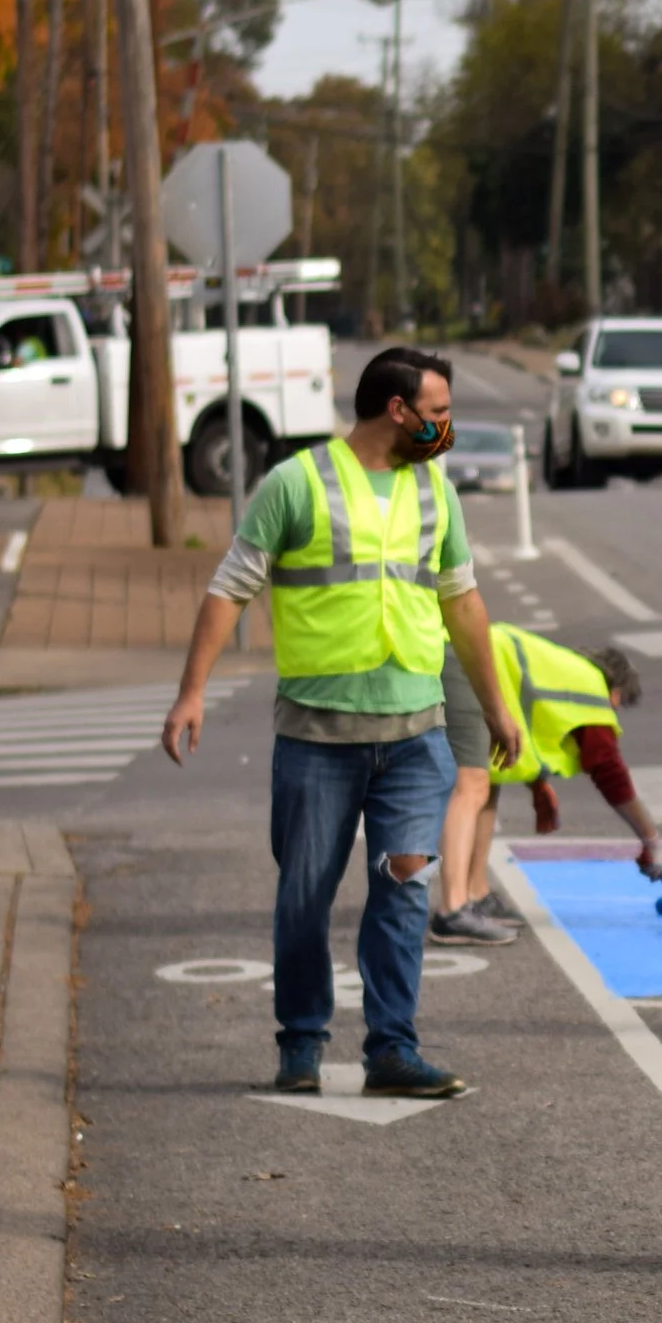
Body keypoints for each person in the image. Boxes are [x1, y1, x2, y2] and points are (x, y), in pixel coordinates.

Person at [161, 344, 526, 1098]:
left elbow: (462, 601)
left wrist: (496, 706)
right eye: (438, 414)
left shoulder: (435, 492)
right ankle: (300, 1041)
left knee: (403, 889)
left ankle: (392, 1048)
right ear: (396, 411)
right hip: (317, 739)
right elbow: (229, 589)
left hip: (415, 734)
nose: (446, 428)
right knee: (304, 897)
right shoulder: (296, 484)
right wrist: (190, 693)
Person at [432, 632, 662, 942]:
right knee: (471, 785)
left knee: (489, 782)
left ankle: (475, 893)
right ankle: (453, 909)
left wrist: (535, 782)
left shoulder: (566, 669)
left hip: (469, 653)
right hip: (467, 658)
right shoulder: (591, 691)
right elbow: (610, 774)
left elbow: (530, 716)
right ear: (616, 695)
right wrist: (650, 839)